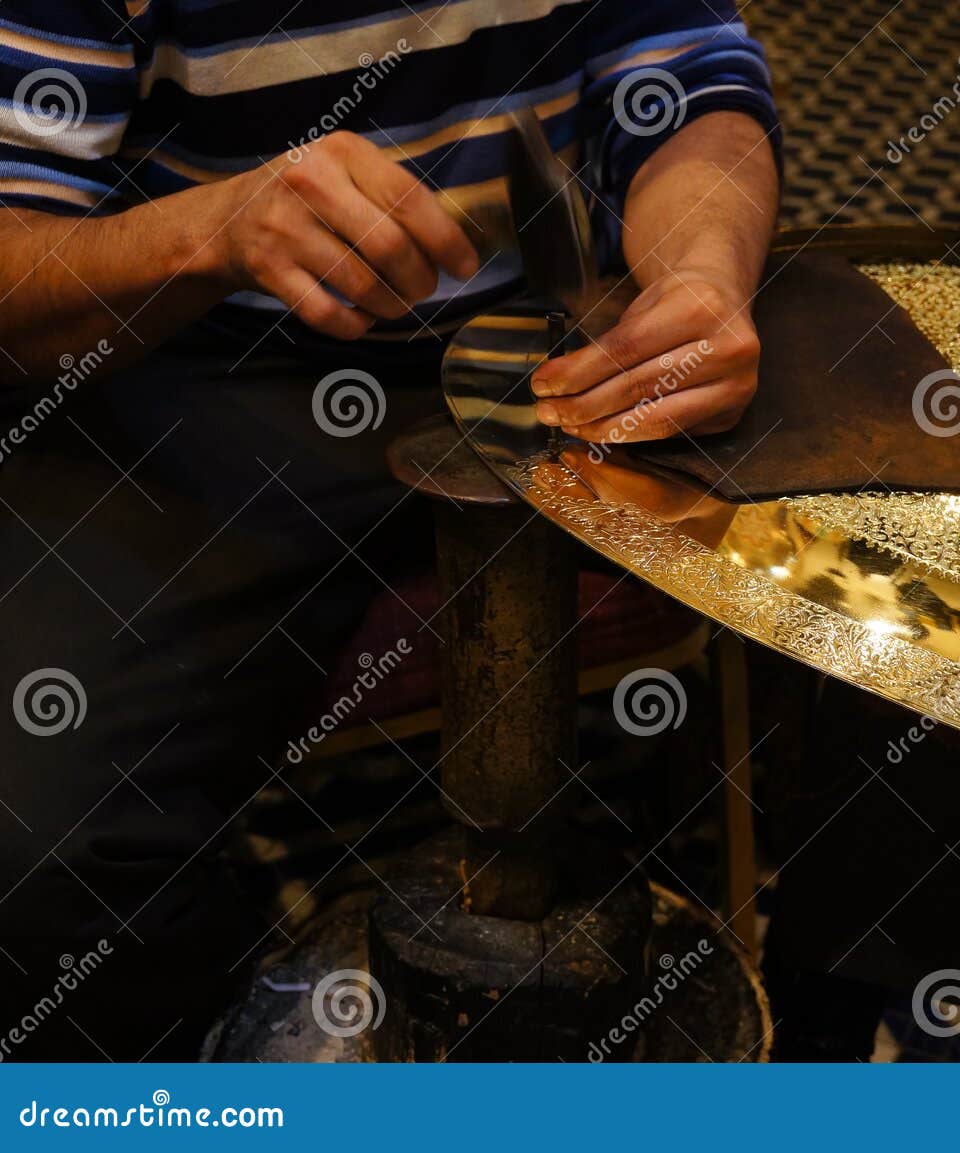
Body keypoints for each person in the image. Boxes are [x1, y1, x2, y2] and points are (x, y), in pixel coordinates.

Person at [0, 0, 779, 1060]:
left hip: (566, 339)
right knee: (37, 847)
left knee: (958, 561)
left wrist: (701, 271)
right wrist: (211, 232)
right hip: (206, 366)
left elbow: (688, 77)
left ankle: (858, 1021)